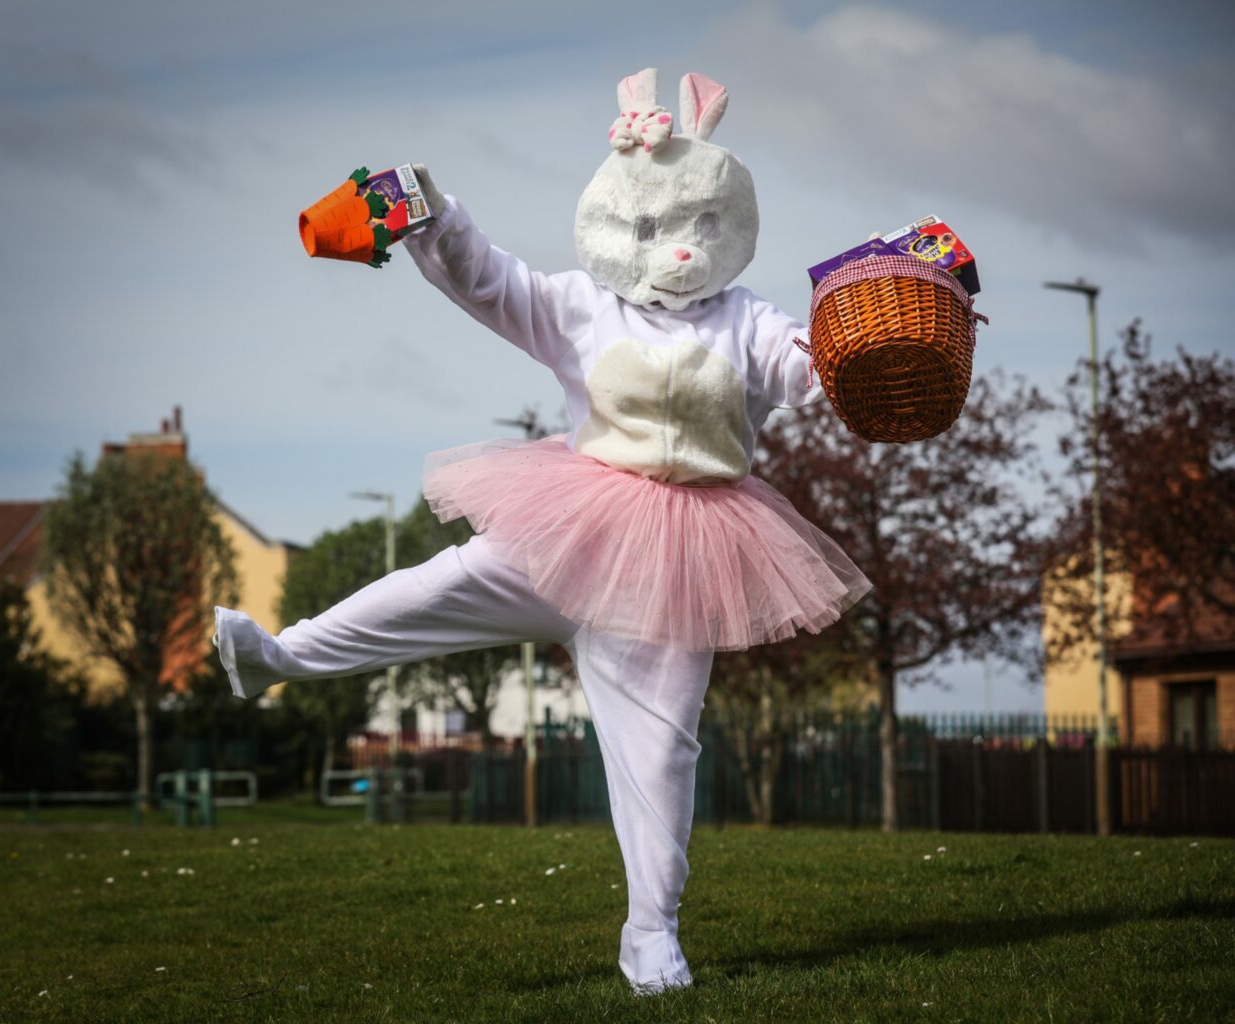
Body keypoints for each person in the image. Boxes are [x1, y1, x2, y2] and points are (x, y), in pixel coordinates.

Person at [215, 68, 869, 994]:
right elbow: (489, 281)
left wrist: (887, 334)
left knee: (659, 749)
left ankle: (652, 939)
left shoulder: (747, 319)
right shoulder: (579, 307)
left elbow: (813, 370)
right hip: (574, 525)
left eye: (700, 229)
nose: (681, 251)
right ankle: (277, 658)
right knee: (434, 590)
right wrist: (432, 214)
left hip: (682, 557)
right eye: (657, 229)